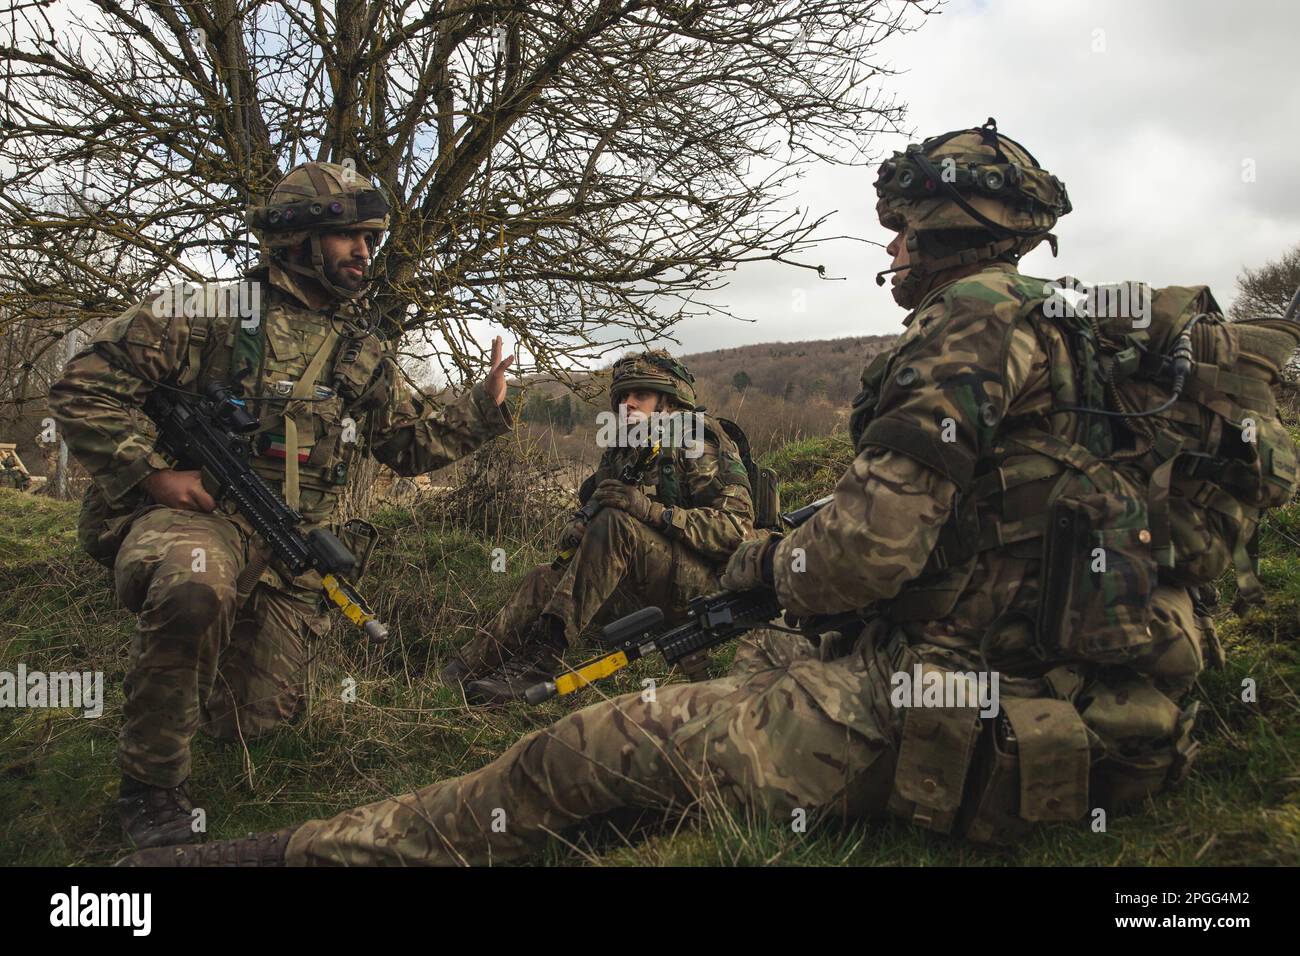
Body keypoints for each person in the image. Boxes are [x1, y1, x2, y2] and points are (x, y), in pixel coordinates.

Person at [119, 120, 1224, 866]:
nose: (889, 249)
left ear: (937, 228)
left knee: (574, 752)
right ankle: (508, 678)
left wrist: (763, 561)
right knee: (743, 667)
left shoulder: (969, 325)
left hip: (981, 713)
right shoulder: (1101, 334)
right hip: (1123, 712)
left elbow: (850, 560)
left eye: (899, 228)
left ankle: (296, 849)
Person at [50, 161, 515, 850]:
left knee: (256, 725)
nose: (364, 252)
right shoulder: (208, 311)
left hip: (284, 543)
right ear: (297, 240)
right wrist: (152, 476)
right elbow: (82, 386)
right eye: (349, 237)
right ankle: (150, 790)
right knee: (195, 584)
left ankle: (183, 675)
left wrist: (483, 409)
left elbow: (411, 447)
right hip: (193, 515)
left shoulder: (360, 352)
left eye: (370, 239)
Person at [444, 349, 757, 704]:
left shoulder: (697, 442)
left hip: (702, 592)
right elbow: (601, 517)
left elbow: (737, 532)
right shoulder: (626, 450)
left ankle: (542, 660)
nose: (628, 403)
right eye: (623, 396)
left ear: (668, 401)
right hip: (641, 590)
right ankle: (463, 671)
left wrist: (652, 511)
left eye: (641, 395)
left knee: (616, 523)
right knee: (542, 578)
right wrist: (580, 525)